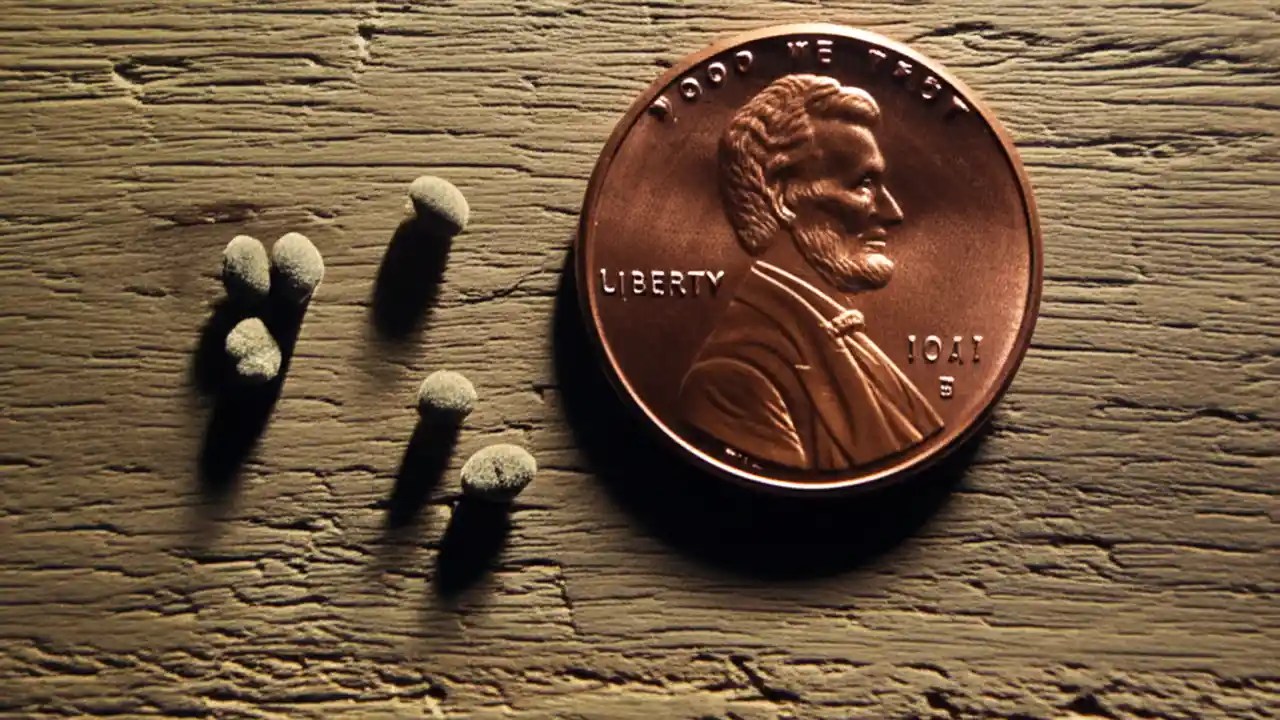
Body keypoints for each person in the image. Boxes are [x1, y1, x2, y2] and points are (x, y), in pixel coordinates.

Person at [679, 74, 943, 471]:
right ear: (781, 196)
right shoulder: (732, 379)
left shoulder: (836, 333)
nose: (892, 212)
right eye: (863, 184)